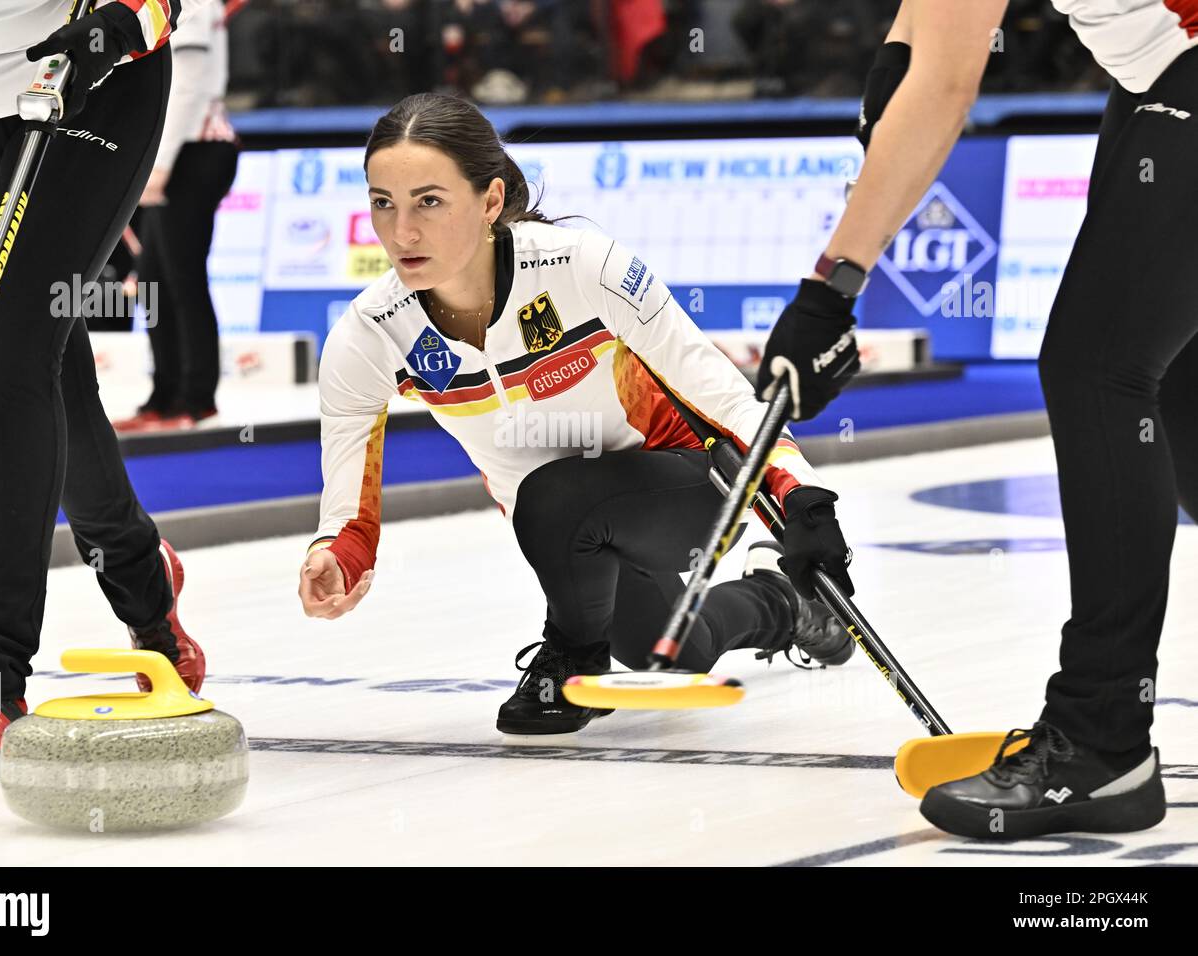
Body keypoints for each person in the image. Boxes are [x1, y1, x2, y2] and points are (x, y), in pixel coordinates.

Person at [758, 0, 1192, 838]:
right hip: (1157, 76)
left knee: (1098, 370)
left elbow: (946, 88)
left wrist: (830, 292)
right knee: (1175, 388)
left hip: (1182, 70)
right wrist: (895, 64)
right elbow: (925, 43)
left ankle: (1102, 741)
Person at [298, 92, 857, 735]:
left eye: (429, 201)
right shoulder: (371, 333)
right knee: (674, 652)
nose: (402, 233)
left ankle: (571, 654)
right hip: (567, 534)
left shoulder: (582, 267)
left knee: (555, 495)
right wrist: (336, 555)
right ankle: (783, 602)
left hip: (687, 482)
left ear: (490, 200)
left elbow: (725, 396)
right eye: (382, 203)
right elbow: (350, 510)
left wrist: (802, 498)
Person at [0, 0, 208, 780]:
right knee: (36, 355)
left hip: (91, 83)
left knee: (7, 358)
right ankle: (141, 575)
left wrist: (120, 27)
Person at [114, 0, 240, 432]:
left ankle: (196, 399)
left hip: (197, 151)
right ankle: (164, 397)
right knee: (153, 282)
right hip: (176, 153)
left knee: (182, 279)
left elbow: (189, 86)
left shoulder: (195, 4)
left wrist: (161, 163)